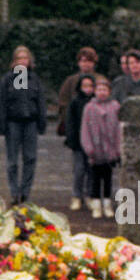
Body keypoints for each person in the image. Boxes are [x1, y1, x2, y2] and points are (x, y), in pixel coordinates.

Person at [0, 45, 47, 205]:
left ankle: (25, 192)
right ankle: (14, 192)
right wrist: (1, 124)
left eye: (25, 58)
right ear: (14, 61)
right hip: (13, 122)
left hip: (30, 122)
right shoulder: (8, 79)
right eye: (20, 58)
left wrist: (41, 121)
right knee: (12, 161)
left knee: (30, 158)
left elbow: (40, 101)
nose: (23, 61)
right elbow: (3, 102)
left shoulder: (34, 79)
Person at [81, 76, 121, 218]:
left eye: (105, 89)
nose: (102, 92)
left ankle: (107, 204)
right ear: (95, 91)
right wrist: (89, 148)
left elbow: (118, 129)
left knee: (108, 179)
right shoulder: (89, 107)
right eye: (99, 89)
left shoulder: (115, 106)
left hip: (109, 150)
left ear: (109, 91)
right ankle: (96, 205)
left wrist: (118, 149)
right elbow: (85, 129)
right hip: (95, 150)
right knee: (95, 179)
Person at [64, 73, 96, 211]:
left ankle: (89, 195)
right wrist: (71, 138)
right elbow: (70, 122)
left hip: (93, 142)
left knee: (91, 170)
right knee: (79, 169)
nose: (87, 89)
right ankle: (76, 196)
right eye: (85, 86)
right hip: (78, 141)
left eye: (90, 86)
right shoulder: (75, 102)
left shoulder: (96, 102)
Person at [56, 46, 99, 134]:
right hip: (76, 125)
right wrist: (69, 119)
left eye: (89, 61)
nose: (86, 64)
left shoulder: (100, 80)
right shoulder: (70, 81)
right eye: (83, 61)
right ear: (79, 62)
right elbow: (63, 102)